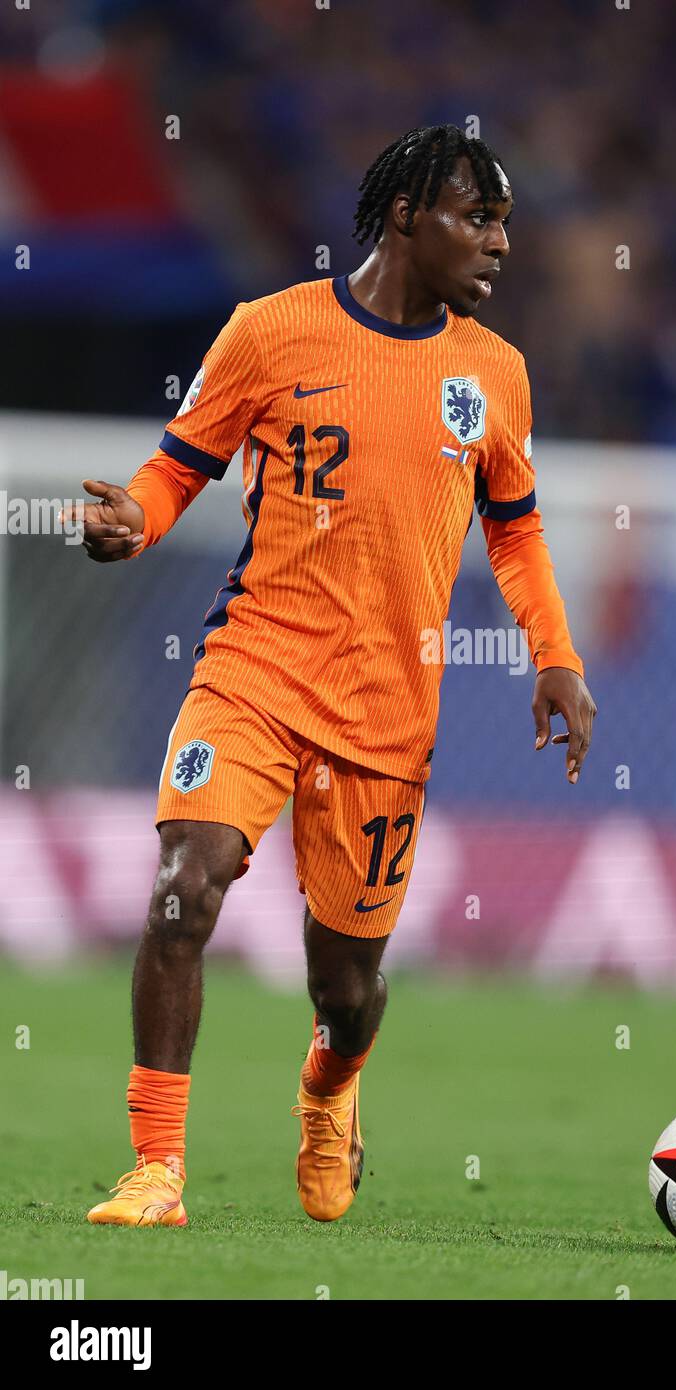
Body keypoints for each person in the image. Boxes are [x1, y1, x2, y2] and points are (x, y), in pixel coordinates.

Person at [64, 125, 597, 1228]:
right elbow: (176, 468)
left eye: (503, 224)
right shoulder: (270, 331)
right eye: (476, 219)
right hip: (253, 669)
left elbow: (517, 532)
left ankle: (329, 1094)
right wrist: (132, 520)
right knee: (182, 890)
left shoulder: (494, 375)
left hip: (387, 713)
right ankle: (157, 1169)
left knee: (344, 988)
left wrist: (554, 655)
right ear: (405, 216)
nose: (498, 244)